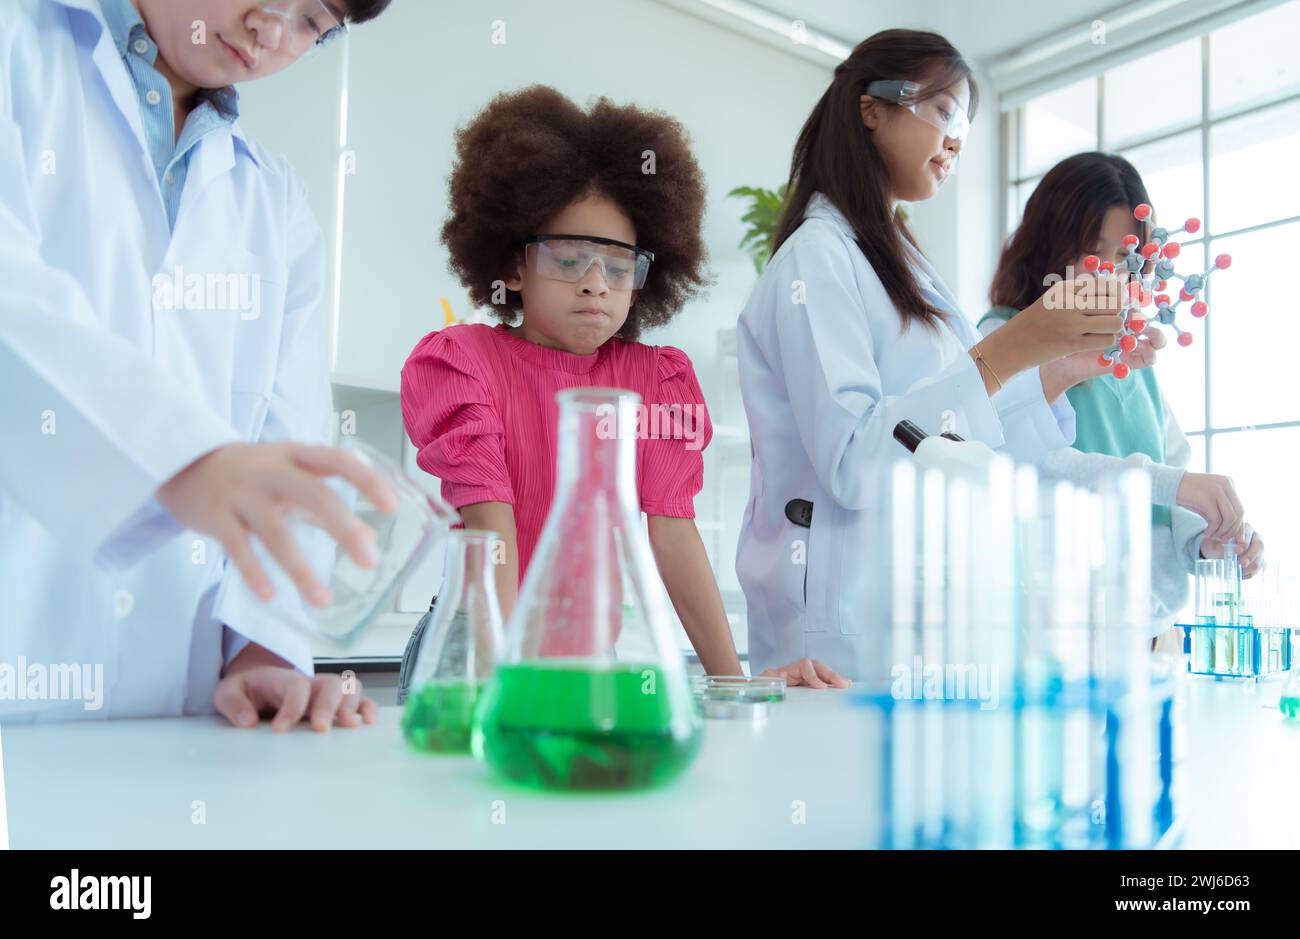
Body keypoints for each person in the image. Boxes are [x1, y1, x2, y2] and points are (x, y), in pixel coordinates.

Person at [733, 30, 1245, 681]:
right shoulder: (817, 259)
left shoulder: (904, 269)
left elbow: (992, 458)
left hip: (918, 638)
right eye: (943, 111)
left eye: (965, 124)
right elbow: (854, 463)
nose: (955, 139)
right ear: (872, 107)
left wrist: (1056, 369)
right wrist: (1011, 349)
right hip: (837, 641)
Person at [0, 0, 397, 728]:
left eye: (314, 22)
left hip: (170, 727)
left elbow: (291, 442)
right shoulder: (16, 51)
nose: (271, 30)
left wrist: (265, 646)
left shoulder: (274, 203)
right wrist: (184, 460)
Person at [401, 86, 826, 686]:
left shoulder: (657, 381)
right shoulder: (463, 362)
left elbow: (673, 536)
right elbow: (490, 533)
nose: (596, 284)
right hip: (476, 653)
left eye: (619, 266)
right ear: (514, 266)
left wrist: (732, 684)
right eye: (570, 260)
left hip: (585, 665)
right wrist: (502, 689)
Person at [981, 152, 1263, 636]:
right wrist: (1175, 483)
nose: (1111, 272)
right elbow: (1031, 463)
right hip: (1057, 637)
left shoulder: (1130, 354)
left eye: (1127, 257)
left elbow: (1169, 479)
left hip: (1150, 638)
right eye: (1094, 250)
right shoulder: (1005, 338)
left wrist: (1207, 541)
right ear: (1049, 245)